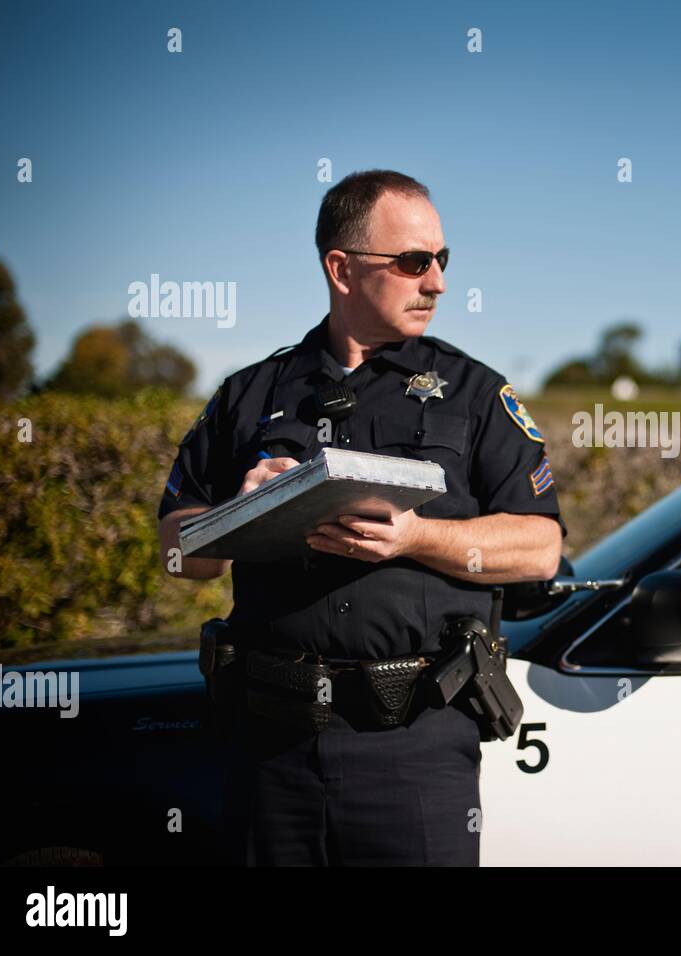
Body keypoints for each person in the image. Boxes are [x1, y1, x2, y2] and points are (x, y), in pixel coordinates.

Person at [156, 169, 565, 865]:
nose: (435, 281)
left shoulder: (475, 393)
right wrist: (240, 511)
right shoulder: (249, 393)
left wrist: (415, 536)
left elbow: (540, 548)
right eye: (412, 262)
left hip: (414, 753)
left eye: (442, 260)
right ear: (341, 269)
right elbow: (179, 556)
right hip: (270, 752)